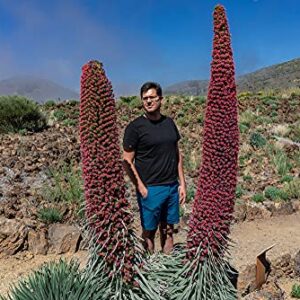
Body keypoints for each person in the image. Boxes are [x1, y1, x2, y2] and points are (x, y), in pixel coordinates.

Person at [122, 82, 186, 254]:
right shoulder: (135, 128)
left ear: (161, 99)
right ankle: (148, 267)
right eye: (145, 99)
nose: (148, 101)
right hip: (150, 188)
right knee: (149, 232)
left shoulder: (169, 123)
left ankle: (167, 265)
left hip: (171, 186)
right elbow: (127, 161)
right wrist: (141, 187)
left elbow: (177, 153)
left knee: (168, 229)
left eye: (152, 97)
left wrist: (182, 184)